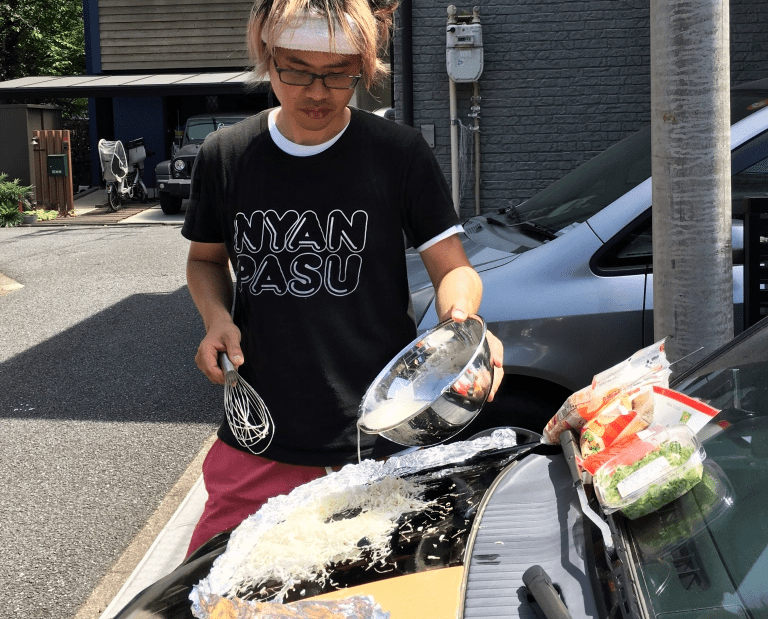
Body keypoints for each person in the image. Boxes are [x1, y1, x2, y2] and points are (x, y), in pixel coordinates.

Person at [181, 0, 504, 557]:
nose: (316, 91)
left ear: (364, 68)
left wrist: (465, 328)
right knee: (206, 589)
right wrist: (216, 319)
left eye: (337, 75)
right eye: (297, 71)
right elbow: (206, 260)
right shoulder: (227, 154)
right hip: (259, 435)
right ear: (268, 58)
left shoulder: (396, 153)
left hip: (378, 436)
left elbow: (453, 268)